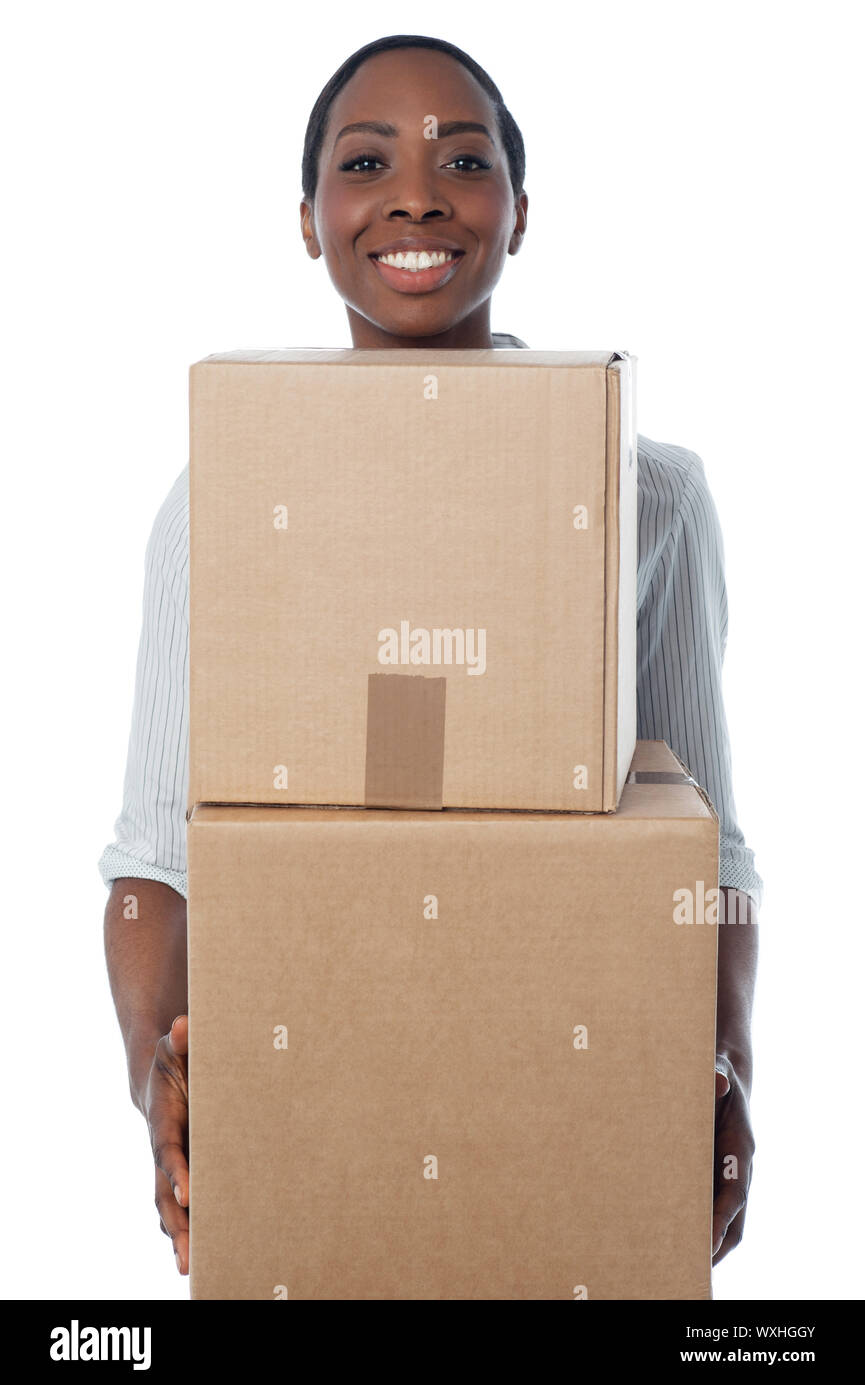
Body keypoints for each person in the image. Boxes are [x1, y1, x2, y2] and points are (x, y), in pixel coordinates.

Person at [100, 33, 763, 1284]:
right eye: (367, 161)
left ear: (519, 215)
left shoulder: (647, 497)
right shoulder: (227, 499)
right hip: (316, 1125)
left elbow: (705, 847)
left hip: (571, 1111)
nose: (416, 193)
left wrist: (725, 1060)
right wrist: (159, 1083)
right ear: (309, 219)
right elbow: (152, 866)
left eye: (464, 159)